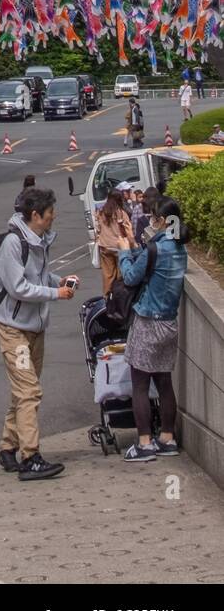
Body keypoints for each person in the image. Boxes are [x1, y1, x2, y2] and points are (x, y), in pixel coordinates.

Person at [0, 185, 73, 481]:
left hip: (34, 328)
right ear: (35, 215)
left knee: (23, 390)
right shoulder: (12, 243)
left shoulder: (37, 239)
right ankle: (30, 457)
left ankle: (7, 448)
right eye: (50, 213)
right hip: (14, 330)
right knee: (29, 391)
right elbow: (18, 287)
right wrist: (56, 293)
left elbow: (36, 277)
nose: (54, 217)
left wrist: (58, 281)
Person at [116, 198, 187, 462]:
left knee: (140, 385)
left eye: (154, 216)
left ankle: (144, 444)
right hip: (169, 322)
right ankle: (167, 438)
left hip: (147, 322)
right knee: (164, 382)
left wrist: (124, 251)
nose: (150, 220)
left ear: (163, 221)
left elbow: (132, 276)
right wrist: (137, 248)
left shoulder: (156, 248)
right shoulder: (180, 248)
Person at [94, 188, 133, 296]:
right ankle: (119, 296)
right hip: (119, 246)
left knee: (108, 275)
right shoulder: (121, 213)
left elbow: (97, 229)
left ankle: (107, 297)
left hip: (105, 246)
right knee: (121, 275)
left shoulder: (100, 212)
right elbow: (127, 229)